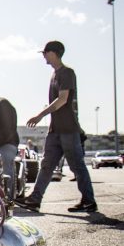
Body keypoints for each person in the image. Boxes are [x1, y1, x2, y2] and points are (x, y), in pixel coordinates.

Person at [16, 41, 96, 213]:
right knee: (46, 165)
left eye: (45, 53)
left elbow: (62, 99)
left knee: (77, 166)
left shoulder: (67, 73)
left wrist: (39, 115)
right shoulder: (54, 74)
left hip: (68, 129)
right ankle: (35, 200)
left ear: (52, 53)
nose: (43, 56)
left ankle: (89, 201)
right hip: (55, 130)